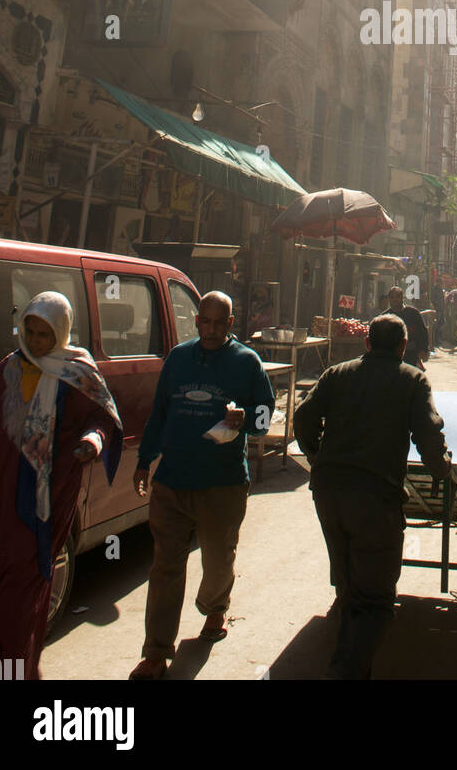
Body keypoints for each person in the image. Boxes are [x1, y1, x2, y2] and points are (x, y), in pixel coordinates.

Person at [293, 313, 451, 679]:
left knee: (348, 578)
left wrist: (316, 456)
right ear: (403, 346)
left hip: (328, 494)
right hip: (375, 498)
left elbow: (302, 417)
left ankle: (349, 649)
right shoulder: (413, 379)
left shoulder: (336, 374)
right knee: (376, 598)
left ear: (367, 343)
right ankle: (346, 669)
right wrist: (443, 470)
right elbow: (428, 437)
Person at [128, 291, 275, 680]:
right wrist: (145, 460)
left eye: (218, 323)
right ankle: (156, 653)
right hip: (173, 480)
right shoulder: (178, 358)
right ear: (196, 322)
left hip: (222, 484)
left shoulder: (247, 362)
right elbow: (160, 413)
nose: (210, 330)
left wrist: (246, 419)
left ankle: (215, 607)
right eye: (204, 322)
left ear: (230, 324)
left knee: (217, 558)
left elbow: (264, 415)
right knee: (165, 567)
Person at [0, 292, 122, 679]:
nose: (36, 340)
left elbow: (102, 419)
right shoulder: (8, 369)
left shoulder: (76, 372)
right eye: (30, 330)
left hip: (44, 500)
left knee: (22, 589)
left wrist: (91, 443)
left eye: (44, 333)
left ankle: (15, 669)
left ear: (60, 333)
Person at [387, 285, 430, 369]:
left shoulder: (413, 313)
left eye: (397, 296)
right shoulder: (385, 316)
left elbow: (423, 332)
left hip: (412, 354)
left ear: (402, 298)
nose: (395, 299)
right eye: (392, 297)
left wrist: (424, 349)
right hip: (392, 356)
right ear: (389, 299)